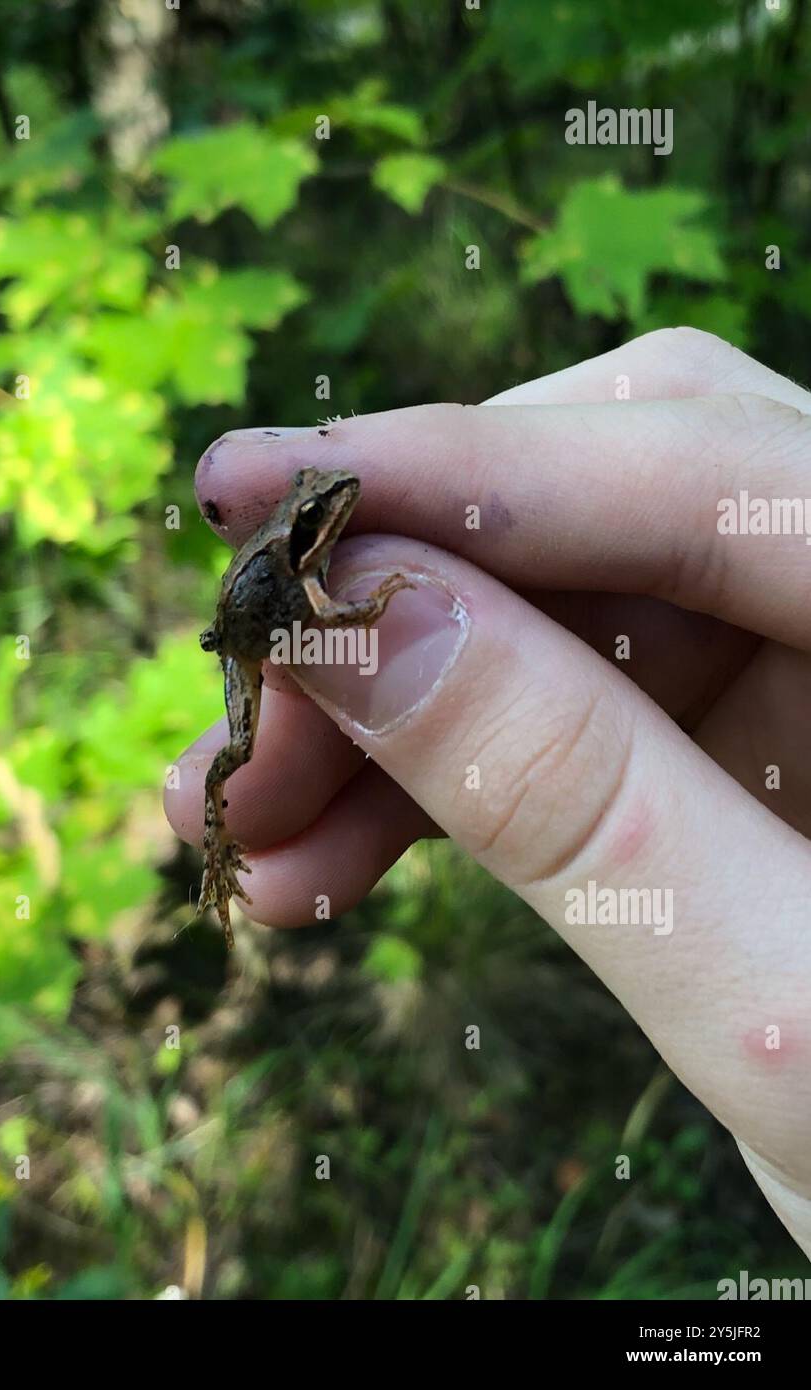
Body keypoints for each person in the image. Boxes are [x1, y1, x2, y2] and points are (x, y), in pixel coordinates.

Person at [165, 328, 811, 1260]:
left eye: (324, 505)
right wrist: (383, 619)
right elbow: (328, 614)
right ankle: (220, 855)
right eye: (319, 511)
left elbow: (329, 575)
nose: (336, 506)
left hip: (272, 592)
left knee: (262, 768)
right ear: (306, 529)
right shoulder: (299, 567)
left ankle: (226, 848)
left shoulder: (317, 533)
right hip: (243, 635)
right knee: (238, 752)